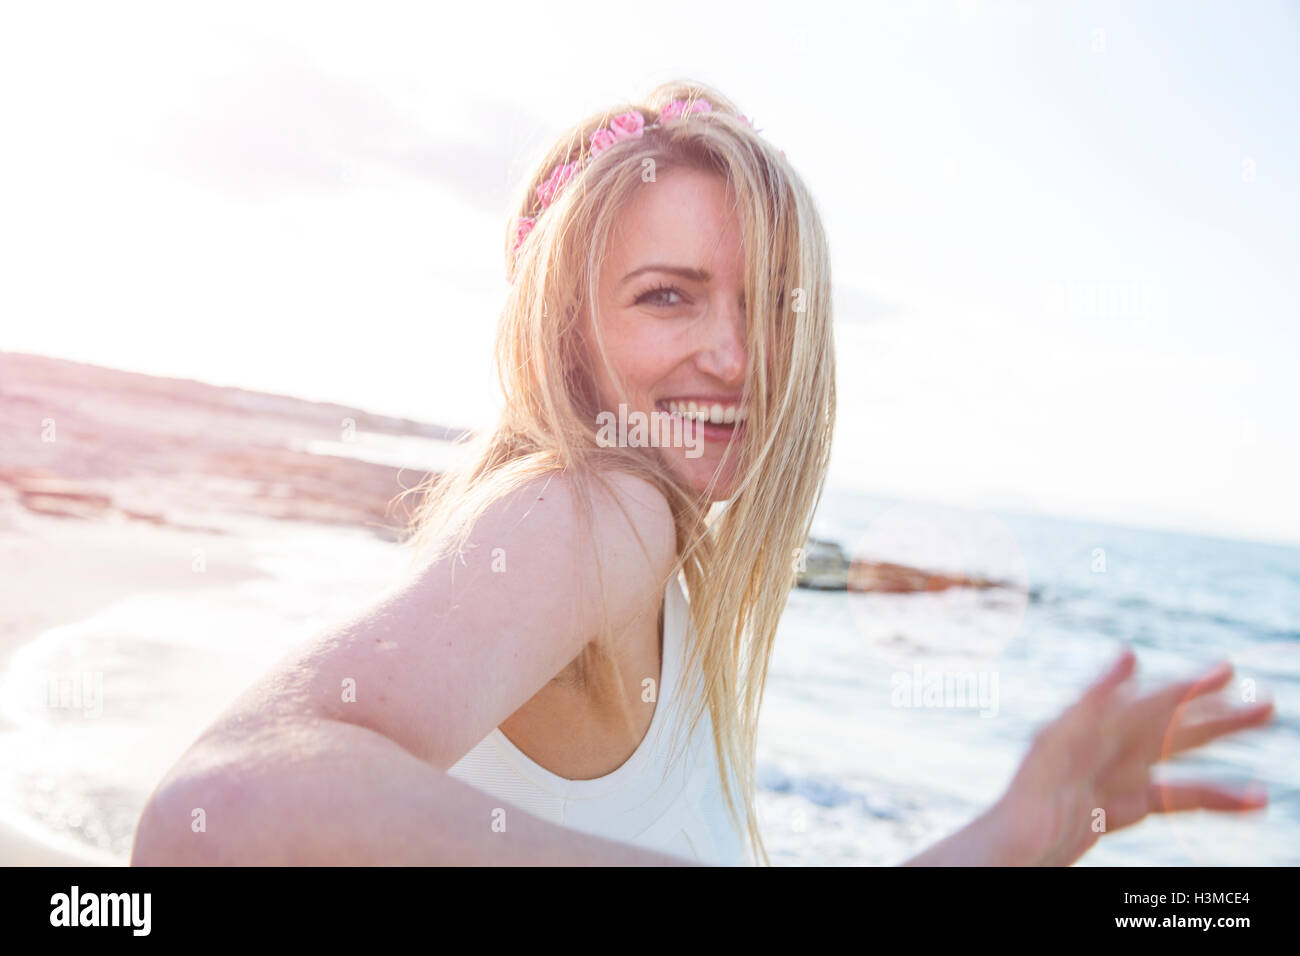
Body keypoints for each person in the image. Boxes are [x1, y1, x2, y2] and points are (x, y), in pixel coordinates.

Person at [130, 80, 1273, 867]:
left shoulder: (653, 561)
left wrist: (1012, 833)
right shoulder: (602, 510)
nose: (734, 355)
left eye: (770, 303)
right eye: (666, 295)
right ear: (568, 332)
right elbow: (214, 810)